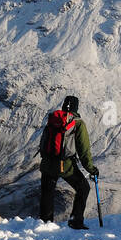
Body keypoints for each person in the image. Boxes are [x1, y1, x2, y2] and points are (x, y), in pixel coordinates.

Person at [39, 95, 99, 229]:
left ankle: (45, 223)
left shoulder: (53, 118)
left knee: (47, 192)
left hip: (47, 163)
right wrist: (91, 169)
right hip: (65, 165)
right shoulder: (77, 123)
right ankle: (75, 220)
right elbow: (84, 150)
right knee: (83, 187)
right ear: (76, 107)